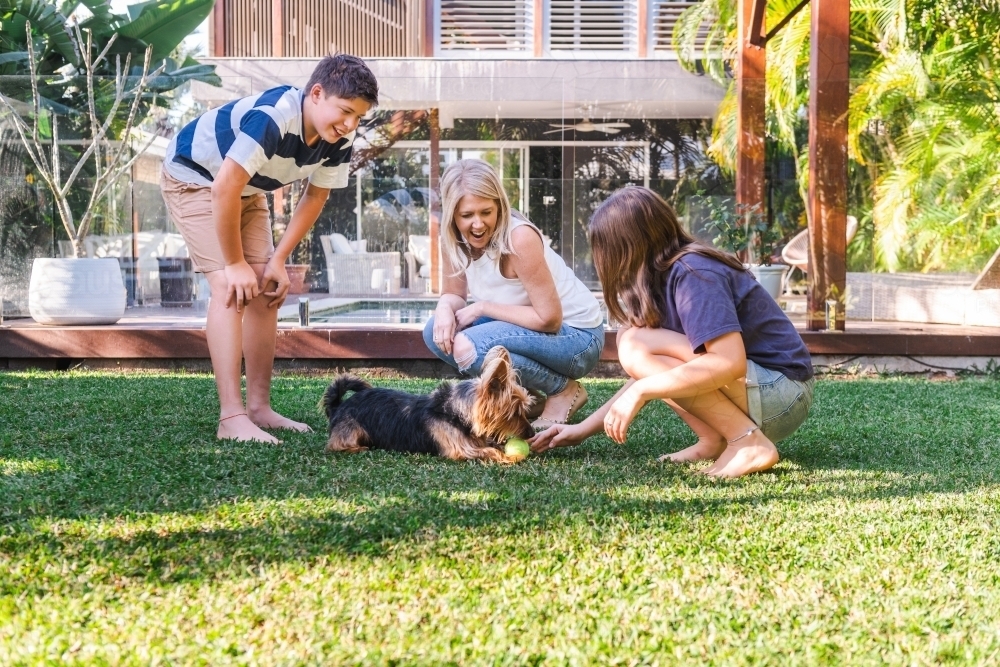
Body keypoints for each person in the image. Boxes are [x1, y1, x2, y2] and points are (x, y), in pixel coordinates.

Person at [160, 55, 379, 443]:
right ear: (316, 93)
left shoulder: (338, 138)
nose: (350, 125)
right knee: (230, 287)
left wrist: (277, 261)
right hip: (195, 178)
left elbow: (314, 197)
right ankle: (231, 417)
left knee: (265, 290)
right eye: (345, 111)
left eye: (358, 117)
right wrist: (233, 263)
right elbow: (223, 186)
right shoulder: (275, 116)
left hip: (246, 189)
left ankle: (259, 408)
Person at [531, 186, 814, 478]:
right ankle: (713, 440)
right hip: (763, 393)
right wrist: (580, 430)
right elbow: (655, 370)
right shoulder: (667, 277)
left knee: (634, 343)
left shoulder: (694, 273)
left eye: (606, 249)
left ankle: (748, 442)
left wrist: (643, 390)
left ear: (628, 247)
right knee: (636, 341)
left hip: (781, 392)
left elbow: (730, 362)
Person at [423, 159, 605, 429]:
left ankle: (562, 390)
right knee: (434, 333)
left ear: (499, 205)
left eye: (486, 212)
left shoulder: (519, 238)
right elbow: (455, 295)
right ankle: (528, 399)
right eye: (467, 215)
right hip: (534, 330)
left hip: (577, 339)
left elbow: (550, 319)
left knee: (468, 347)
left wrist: (482, 307)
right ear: (452, 215)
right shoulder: (454, 240)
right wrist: (443, 310)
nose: (478, 224)